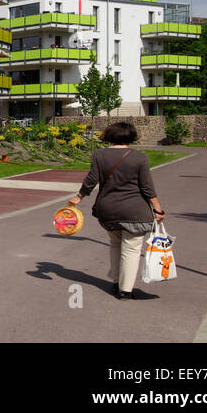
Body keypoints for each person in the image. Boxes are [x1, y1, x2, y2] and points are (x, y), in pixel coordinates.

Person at [67, 121, 165, 300]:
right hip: (134, 212)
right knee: (132, 249)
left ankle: (115, 281)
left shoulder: (99, 155)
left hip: (107, 211)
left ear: (110, 135)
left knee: (115, 244)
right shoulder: (140, 157)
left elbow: (91, 180)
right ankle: (125, 290)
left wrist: (79, 197)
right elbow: (147, 187)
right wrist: (158, 209)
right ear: (131, 137)